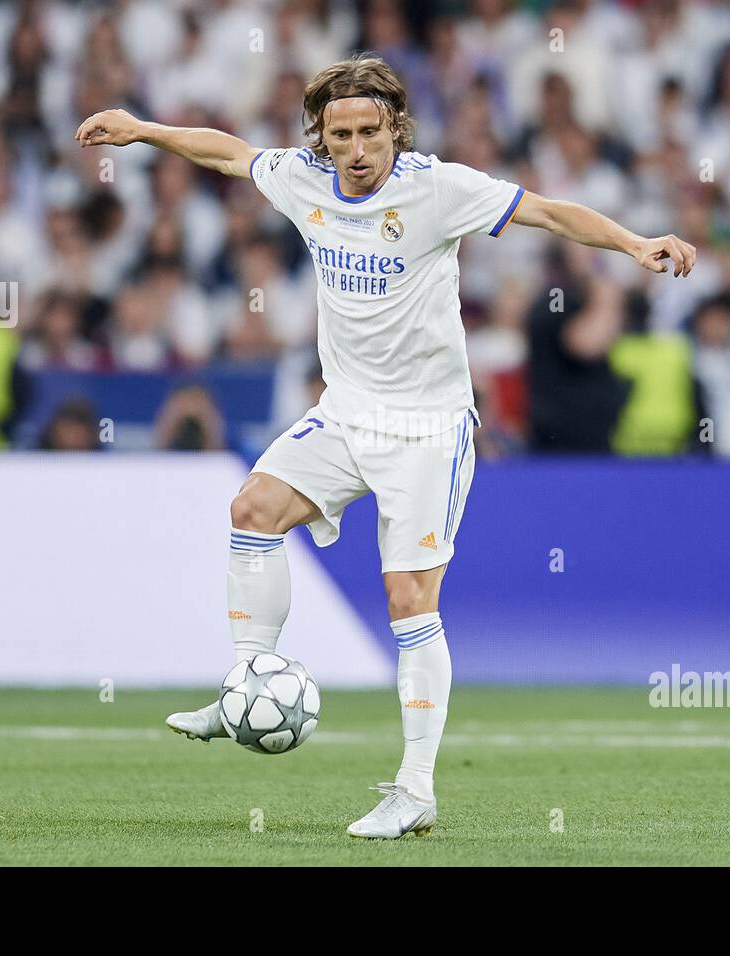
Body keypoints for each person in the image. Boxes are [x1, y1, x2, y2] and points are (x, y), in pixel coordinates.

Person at [75, 53, 697, 839]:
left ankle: (415, 790)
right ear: (322, 137)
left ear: (396, 129)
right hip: (346, 414)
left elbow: (544, 211)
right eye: (343, 134)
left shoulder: (437, 190)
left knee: (410, 600)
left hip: (427, 430)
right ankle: (250, 678)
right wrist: (142, 130)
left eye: (372, 131)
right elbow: (227, 152)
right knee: (252, 508)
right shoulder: (303, 179)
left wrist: (637, 244)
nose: (359, 148)